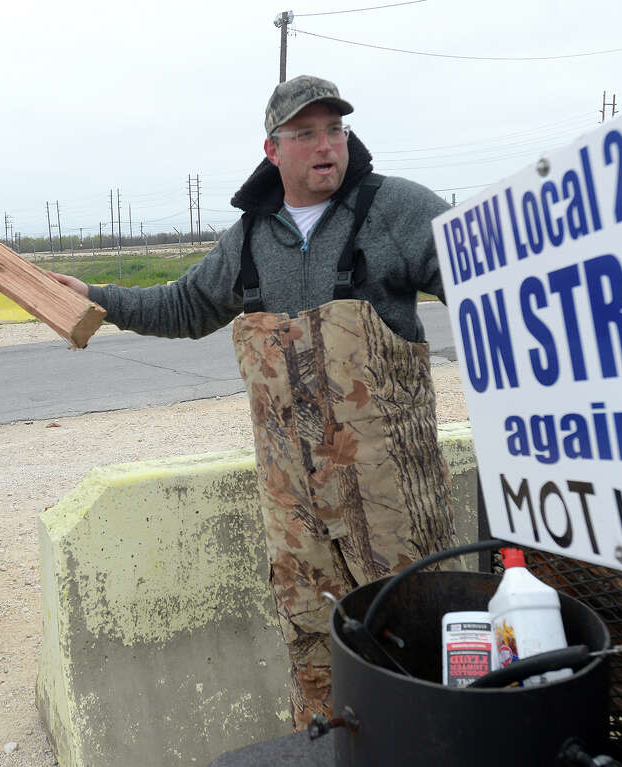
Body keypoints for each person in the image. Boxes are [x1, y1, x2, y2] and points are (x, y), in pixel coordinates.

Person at [53, 75, 460, 727]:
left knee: (415, 653)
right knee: (316, 652)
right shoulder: (249, 239)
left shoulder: (398, 211)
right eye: (306, 133)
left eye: (336, 129)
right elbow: (184, 304)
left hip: (393, 514)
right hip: (295, 514)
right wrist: (100, 297)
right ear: (273, 150)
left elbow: (490, 280)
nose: (325, 145)